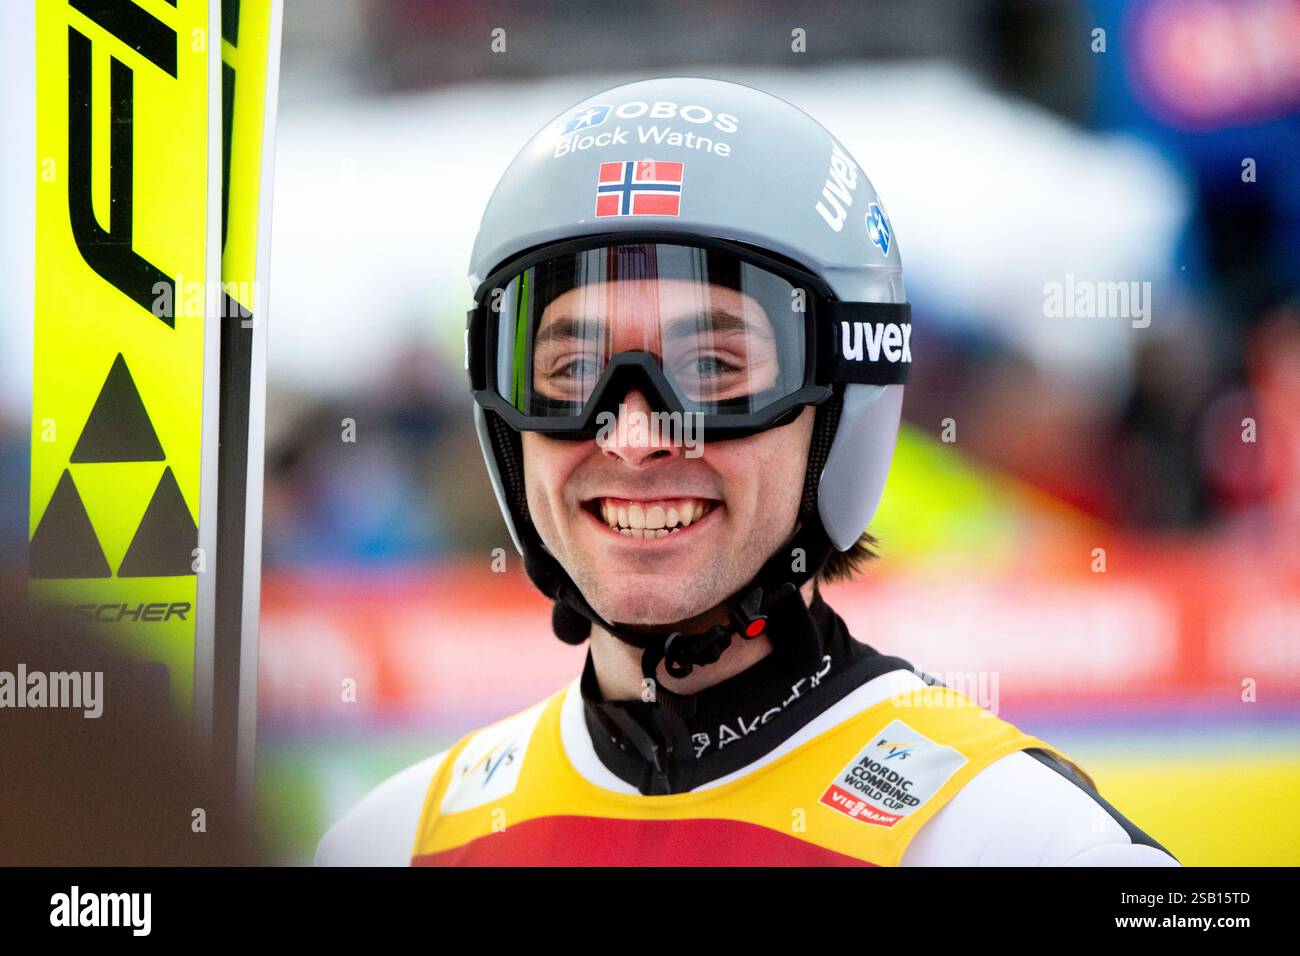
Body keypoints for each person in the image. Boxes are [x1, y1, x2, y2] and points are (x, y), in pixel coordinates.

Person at [316, 76, 1179, 866]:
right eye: (572, 372)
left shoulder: (1013, 842)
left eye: (713, 370)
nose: (635, 434)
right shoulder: (395, 842)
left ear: (842, 397)